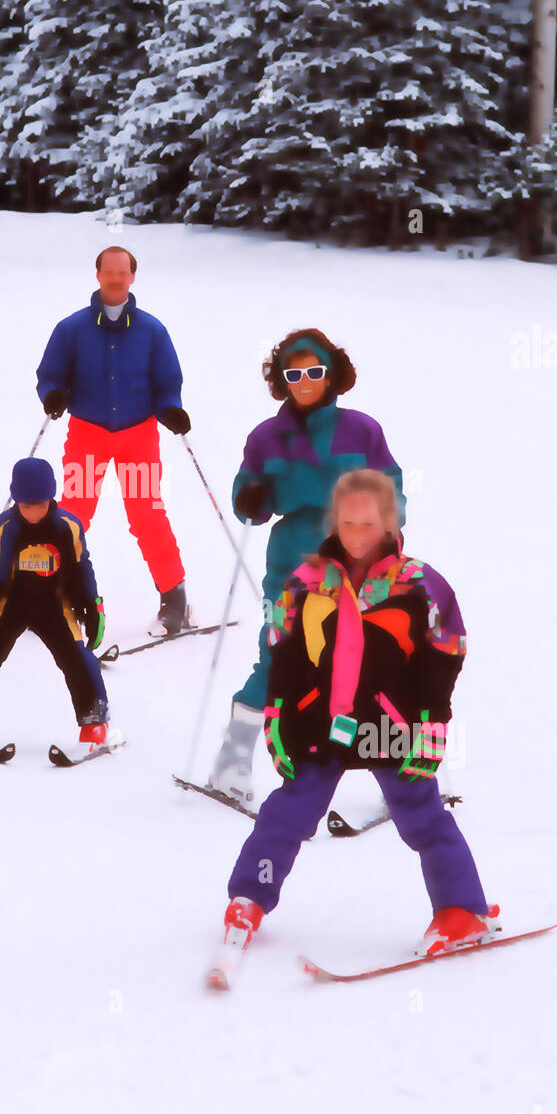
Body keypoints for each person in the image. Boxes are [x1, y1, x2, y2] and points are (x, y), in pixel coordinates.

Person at [210, 470, 496, 984]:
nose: (358, 533)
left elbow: (443, 658)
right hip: (321, 725)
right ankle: (250, 896)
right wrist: (277, 717)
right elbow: (285, 654)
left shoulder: (419, 584)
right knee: (287, 813)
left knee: (422, 817)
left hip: (391, 726)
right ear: (334, 521)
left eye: (369, 522)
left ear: (389, 521)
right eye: (347, 522)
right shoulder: (308, 581)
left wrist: (432, 723)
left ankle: (461, 910)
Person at [209, 328, 406, 805]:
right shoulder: (266, 437)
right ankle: (231, 760)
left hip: (360, 556)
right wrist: (249, 497)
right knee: (280, 655)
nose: (304, 381)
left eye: (314, 371)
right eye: (293, 373)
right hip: (295, 561)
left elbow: (390, 485)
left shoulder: (362, 430)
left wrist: (391, 535)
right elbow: (247, 499)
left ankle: (397, 778)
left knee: (374, 660)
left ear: (332, 373)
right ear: (282, 378)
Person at [36, 246, 193, 635]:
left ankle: (174, 597)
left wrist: (170, 408)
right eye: (110, 273)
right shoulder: (71, 329)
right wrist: (53, 395)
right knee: (73, 515)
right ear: (98, 275)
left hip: (137, 435)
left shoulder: (152, 330)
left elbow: (167, 382)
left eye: (123, 274)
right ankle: (45, 592)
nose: (116, 280)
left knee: (147, 515)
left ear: (132, 278)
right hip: (88, 433)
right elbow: (50, 374)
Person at [0, 457, 111, 753]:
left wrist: (92, 606)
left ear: (51, 498)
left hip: (54, 604)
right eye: (26, 506)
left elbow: (82, 568)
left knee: (77, 658)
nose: (33, 513)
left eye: (40, 505)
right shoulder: (2, 528)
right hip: (9, 602)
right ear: (16, 501)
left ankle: (94, 718)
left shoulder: (68, 527)